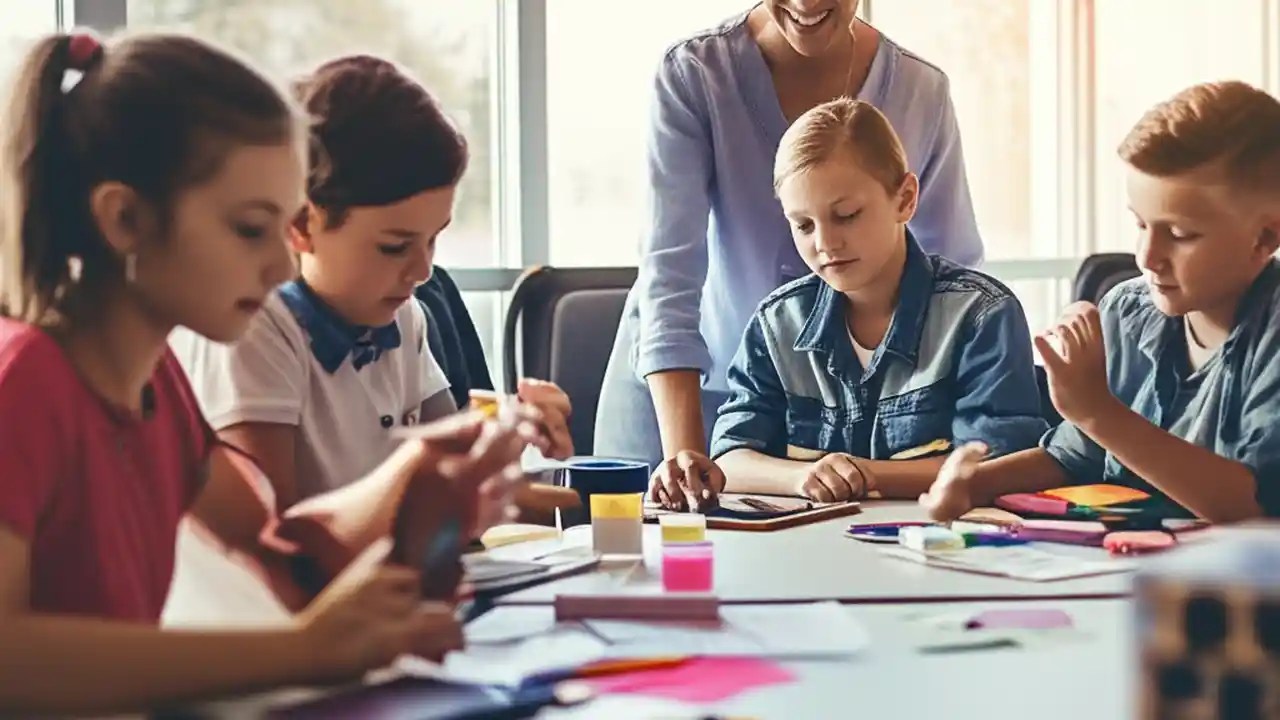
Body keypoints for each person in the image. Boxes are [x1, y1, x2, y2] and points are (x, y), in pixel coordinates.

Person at [0, 32, 526, 715]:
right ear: (125, 219)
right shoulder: (26, 385)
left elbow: (277, 544)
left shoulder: (158, 386)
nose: (281, 267)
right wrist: (304, 648)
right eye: (251, 229)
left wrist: (429, 486)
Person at [595, 0, 985, 494]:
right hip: (684, 395)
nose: (806, 4)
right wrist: (686, 460)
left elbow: (956, 284)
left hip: (837, 421)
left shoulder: (921, 90)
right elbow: (670, 279)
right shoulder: (695, 74)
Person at [172, 55, 574, 512]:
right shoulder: (255, 327)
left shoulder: (404, 315)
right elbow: (270, 530)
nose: (423, 271)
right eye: (394, 247)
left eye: (433, 239)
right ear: (301, 225)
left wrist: (515, 428)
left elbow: (456, 472)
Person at [651, 98, 1043, 509]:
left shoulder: (981, 315)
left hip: (938, 541)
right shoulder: (776, 323)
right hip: (811, 545)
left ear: (905, 199)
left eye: (847, 215)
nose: (825, 243)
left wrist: (864, 474)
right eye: (803, 225)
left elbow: (997, 464)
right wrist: (803, 477)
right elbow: (730, 458)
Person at [921, 81, 1280, 524]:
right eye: (1140, 224)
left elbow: (1256, 507)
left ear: (1264, 238)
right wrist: (972, 483)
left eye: (1180, 234)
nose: (1147, 257)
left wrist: (1098, 412)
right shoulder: (1127, 313)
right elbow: (1078, 455)